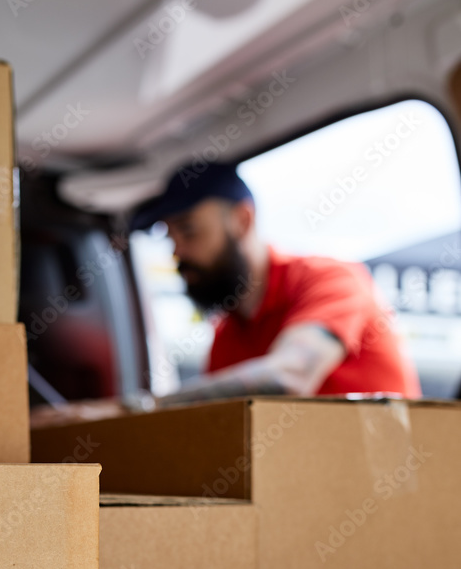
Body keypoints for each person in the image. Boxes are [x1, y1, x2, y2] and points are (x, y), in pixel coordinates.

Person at [130, 161, 421, 405]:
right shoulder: (227, 337)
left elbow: (289, 375)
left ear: (242, 221)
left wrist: (144, 408)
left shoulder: (329, 280)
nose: (177, 252)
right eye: (169, 237)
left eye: (189, 231)